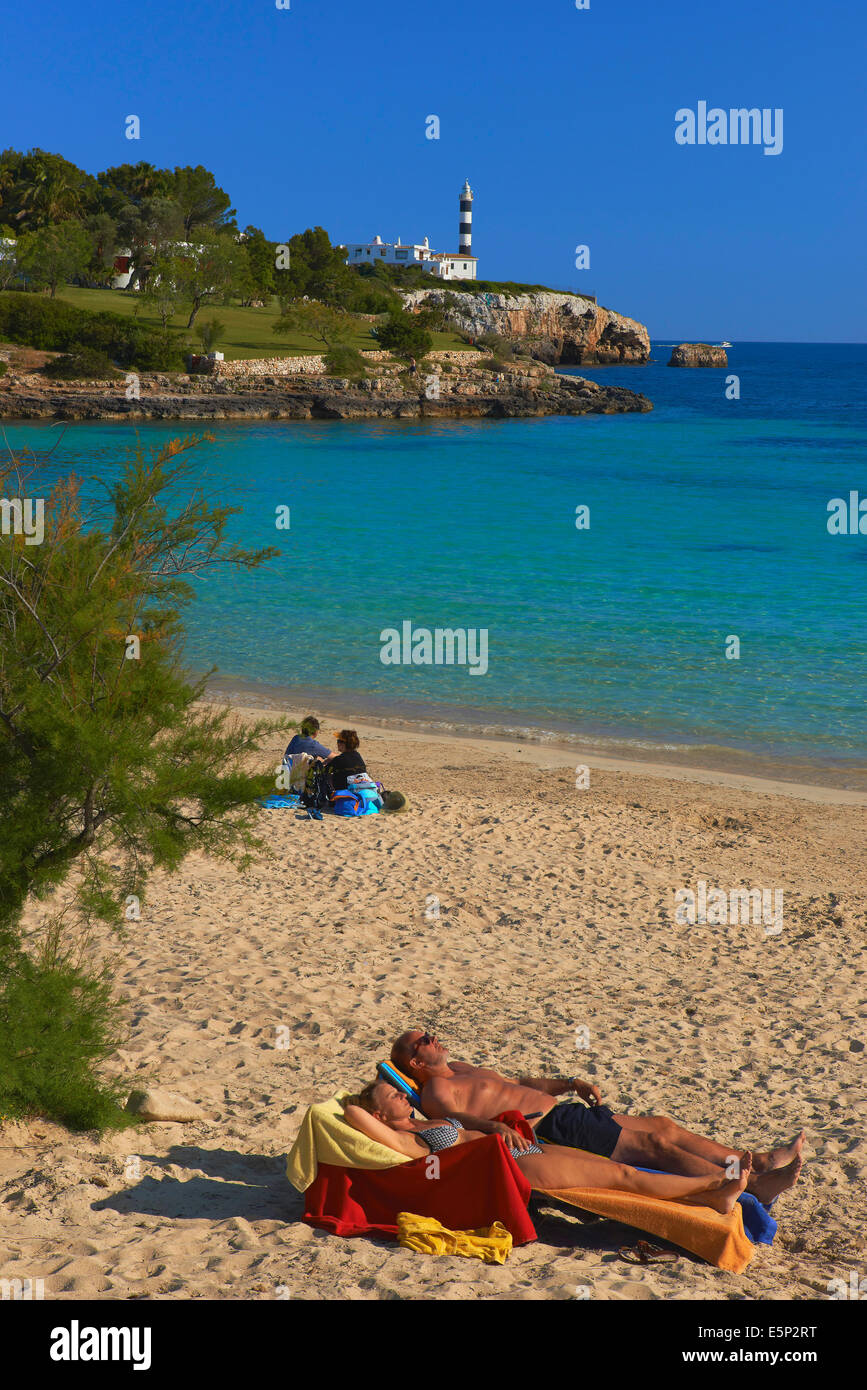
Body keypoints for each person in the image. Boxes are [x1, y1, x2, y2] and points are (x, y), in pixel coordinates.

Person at [389, 1030, 803, 1205]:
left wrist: (568, 1083)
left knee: (663, 1126)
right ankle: (750, 1190)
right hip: (551, 1128)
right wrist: (494, 1125)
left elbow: (517, 1081)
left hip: (562, 1110)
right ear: (414, 1061)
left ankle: (759, 1163)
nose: (434, 1038)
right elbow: (462, 1123)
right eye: (425, 1040)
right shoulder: (435, 1091)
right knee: (652, 1147)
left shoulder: (458, 1067)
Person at [343, 1081, 753, 1216]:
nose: (401, 1095)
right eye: (390, 1096)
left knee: (609, 1170)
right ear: (378, 1116)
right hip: (509, 1171)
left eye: (398, 1090)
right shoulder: (403, 1139)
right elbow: (350, 1113)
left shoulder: (422, 1122)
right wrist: (363, 1104)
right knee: (621, 1178)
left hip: (517, 1152)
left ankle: (710, 1196)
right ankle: (714, 1187)